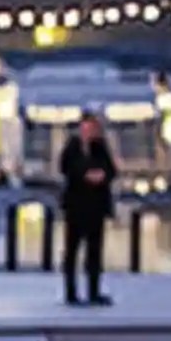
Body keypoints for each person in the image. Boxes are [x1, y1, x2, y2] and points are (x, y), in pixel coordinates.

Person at [58, 112, 117, 306]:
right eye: (88, 127)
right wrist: (85, 174)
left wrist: (102, 175)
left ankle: (94, 291)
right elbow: (65, 167)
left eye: (94, 128)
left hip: (96, 207)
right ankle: (71, 292)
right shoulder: (72, 146)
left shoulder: (100, 147)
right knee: (72, 250)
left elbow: (112, 170)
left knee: (94, 251)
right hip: (76, 206)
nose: (91, 131)